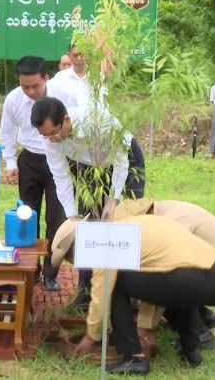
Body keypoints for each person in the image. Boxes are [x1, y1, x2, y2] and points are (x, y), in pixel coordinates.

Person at [50, 214, 215, 374]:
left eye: (73, 259)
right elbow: (162, 280)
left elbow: (102, 292)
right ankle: (191, 349)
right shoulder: (129, 225)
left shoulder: (104, 241)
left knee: (115, 282)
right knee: (175, 282)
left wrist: (91, 335)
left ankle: (134, 358)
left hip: (195, 277)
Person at [31, 97, 145, 308]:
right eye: (45, 136)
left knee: (126, 223)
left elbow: (121, 160)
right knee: (86, 228)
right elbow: (60, 176)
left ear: (66, 120)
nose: (51, 140)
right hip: (91, 168)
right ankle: (86, 291)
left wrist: (113, 200)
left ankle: (126, 296)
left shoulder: (97, 120)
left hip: (125, 161)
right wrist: (72, 216)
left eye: (54, 133)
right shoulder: (48, 138)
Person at [0, 56, 80, 291]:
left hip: (61, 160)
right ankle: (30, 269)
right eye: (25, 86)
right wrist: (11, 163)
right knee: (27, 215)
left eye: (36, 86)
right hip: (31, 160)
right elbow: (6, 133)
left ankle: (51, 272)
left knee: (57, 217)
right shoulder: (13, 99)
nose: (31, 91)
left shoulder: (63, 94)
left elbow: (77, 122)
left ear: (46, 78)